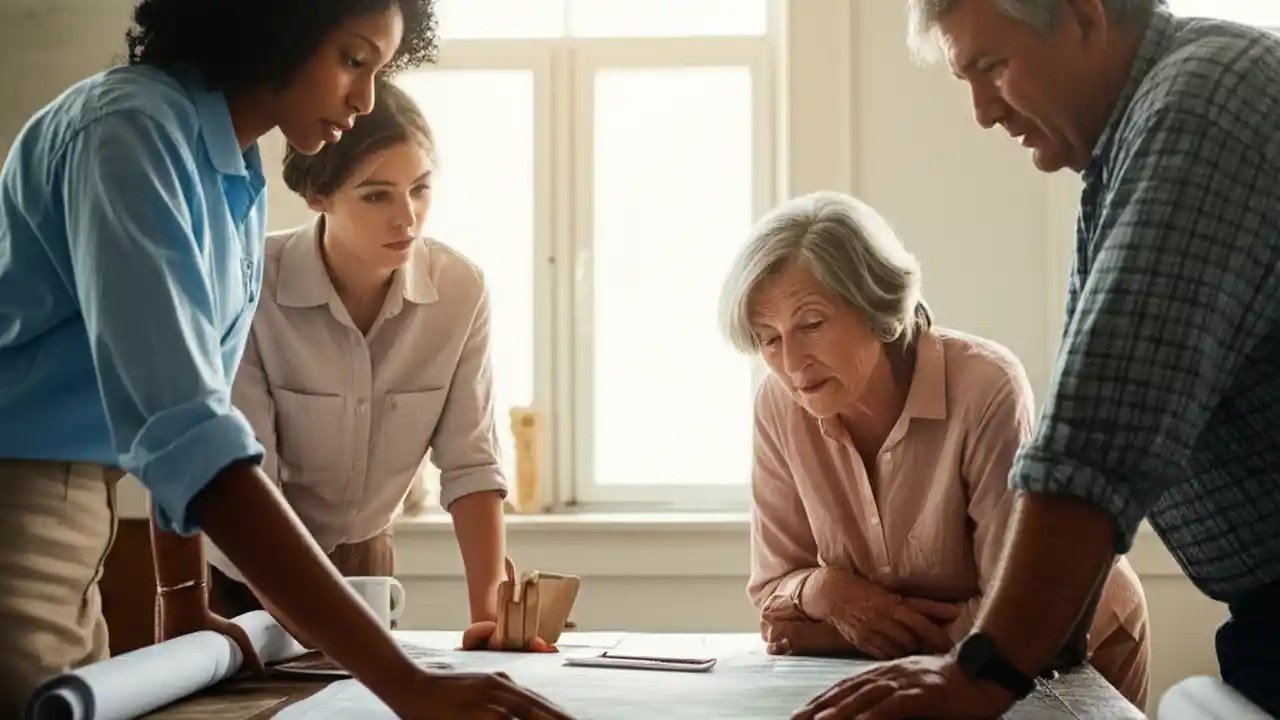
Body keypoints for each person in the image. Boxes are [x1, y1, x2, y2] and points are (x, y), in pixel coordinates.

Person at [0, 1, 569, 717]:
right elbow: (193, 435)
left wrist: (180, 602)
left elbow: (180, 413)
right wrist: (408, 685)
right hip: (19, 496)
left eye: (379, 71)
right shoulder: (130, 133)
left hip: (85, 496)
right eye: (354, 60)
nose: (365, 100)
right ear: (277, 26)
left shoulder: (229, 167)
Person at [793, 1, 1280, 718]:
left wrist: (979, 674)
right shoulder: (1141, 130)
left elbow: (1104, 428)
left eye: (992, 66)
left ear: (1084, 14)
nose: (984, 113)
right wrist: (1041, 647)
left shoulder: (1203, 102)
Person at [721, 191, 1149, 706]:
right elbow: (774, 602)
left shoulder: (986, 386)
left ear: (877, 304)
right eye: (768, 338)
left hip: (1068, 646)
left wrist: (843, 630)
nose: (791, 363)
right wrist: (827, 591)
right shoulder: (778, 403)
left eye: (811, 325)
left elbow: (1012, 615)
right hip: (932, 664)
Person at [201, 78, 538, 652]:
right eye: (377, 195)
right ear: (318, 195)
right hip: (246, 567)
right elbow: (249, 475)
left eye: (420, 190)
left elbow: (471, 462)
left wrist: (489, 616)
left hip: (367, 564)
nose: (407, 218)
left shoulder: (460, 290)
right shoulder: (252, 282)